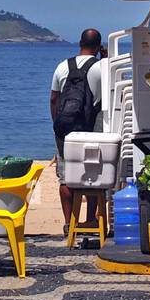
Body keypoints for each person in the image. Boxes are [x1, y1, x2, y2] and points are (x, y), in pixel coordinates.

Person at [50, 28, 106, 236]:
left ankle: (68, 223)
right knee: (93, 175)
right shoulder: (102, 67)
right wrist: (106, 60)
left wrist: (57, 123)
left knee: (65, 176)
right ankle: (90, 220)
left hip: (64, 129)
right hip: (91, 129)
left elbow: (54, 99)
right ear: (99, 46)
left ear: (79, 43)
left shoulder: (62, 66)